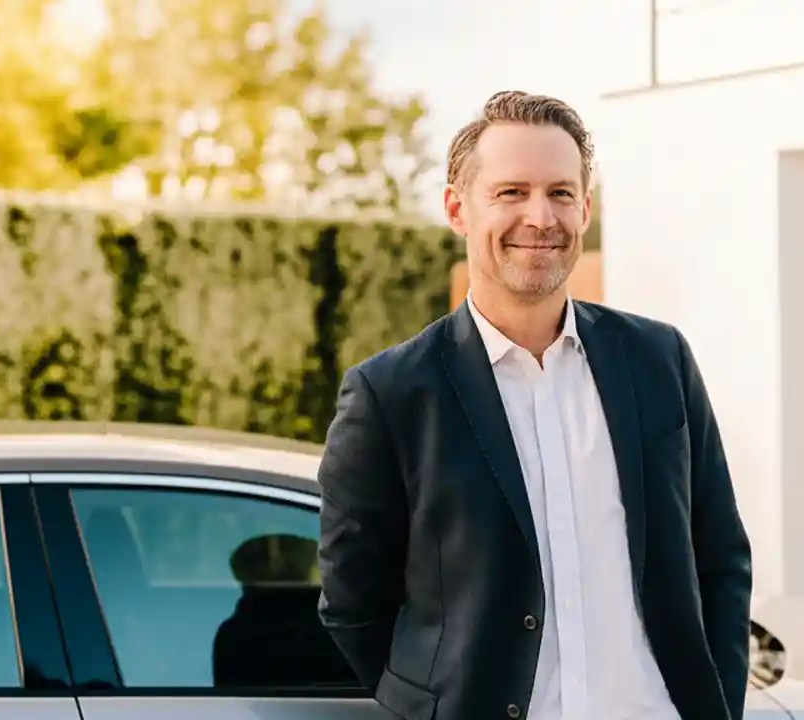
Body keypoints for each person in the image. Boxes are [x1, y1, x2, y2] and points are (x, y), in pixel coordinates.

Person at [316, 90, 752, 720]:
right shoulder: (391, 394)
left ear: (586, 207)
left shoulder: (661, 361)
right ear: (457, 209)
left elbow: (721, 556)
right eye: (511, 192)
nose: (540, 217)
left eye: (561, 192)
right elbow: (353, 604)